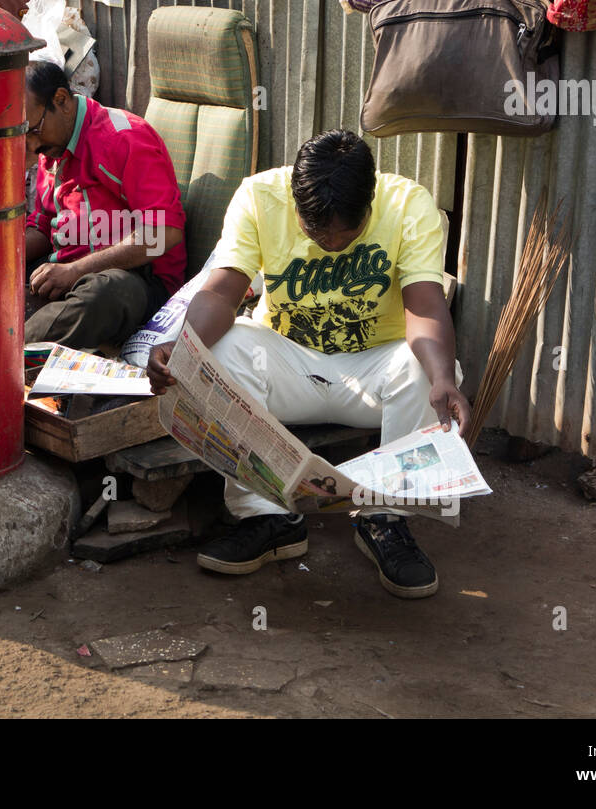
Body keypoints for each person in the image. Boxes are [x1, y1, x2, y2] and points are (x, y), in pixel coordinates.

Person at [146, 130, 470, 599]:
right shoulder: (258, 195)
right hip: (288, 364)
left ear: (370, 201)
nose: (333, 244)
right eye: (317, 233)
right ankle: (268, 518)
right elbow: (222, 290)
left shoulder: (409, 205)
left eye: (347, 232)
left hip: (372, 374)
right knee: (219, 349)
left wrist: (442, 377)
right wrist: (182, 347)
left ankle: (384, 521)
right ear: (295, 202)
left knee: (432, 372)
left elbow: (425, 304)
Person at [24, 58, 186, 350]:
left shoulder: (123, 139)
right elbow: (43, 225)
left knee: (102, 295)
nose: (31, 146)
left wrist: (76, 271)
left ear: (61, 100)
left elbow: (165, 233)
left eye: (34, 130)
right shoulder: (51, 145)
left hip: (137, 278)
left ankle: (6, 353)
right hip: (66, 270)